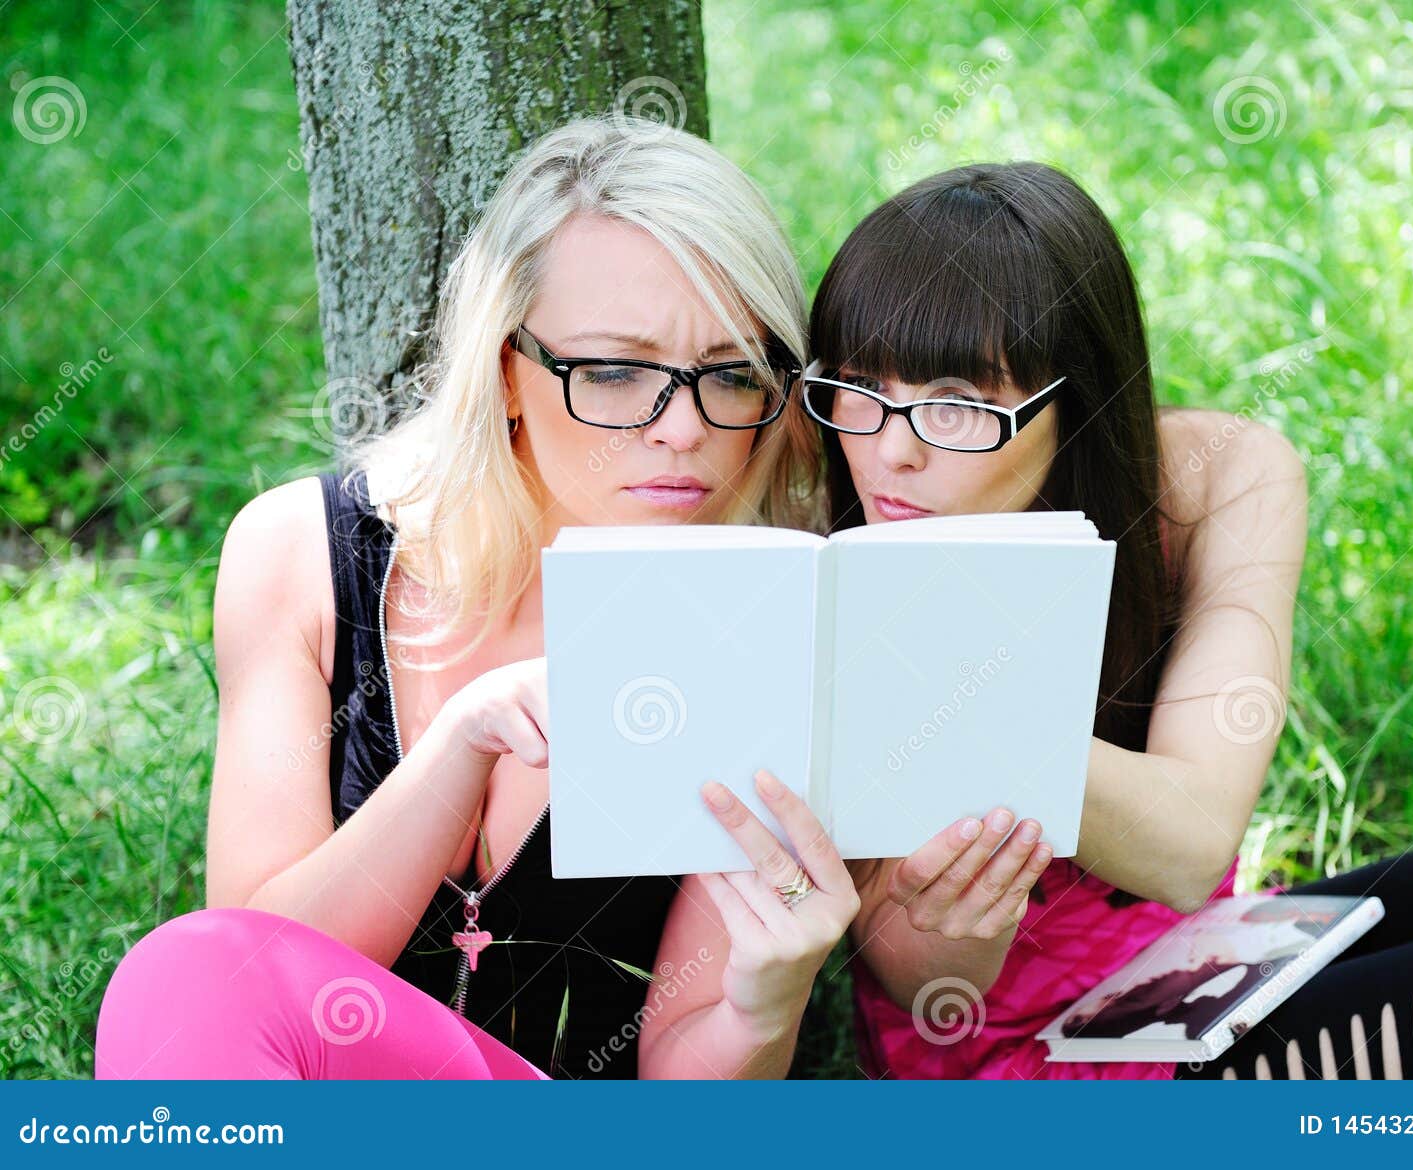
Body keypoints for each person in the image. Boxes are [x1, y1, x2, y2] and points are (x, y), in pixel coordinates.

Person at [94, 113, 860, 1081]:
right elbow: (247, 969)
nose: (681, 429)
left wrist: (764, 1003)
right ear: (504, 370)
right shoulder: (305, 554)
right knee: (184, 973)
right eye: (617, 371)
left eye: (731, 374)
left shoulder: (757, 624)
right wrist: (458, 746)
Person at [803, 159, 1413, 1080]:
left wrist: (964, 704)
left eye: (956, 405)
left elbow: (1191, 844)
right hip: (1035, 1067)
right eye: (859, 390)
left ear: (1078, 405)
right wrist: (958, 928)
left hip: (1205, 964)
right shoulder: (830, 560)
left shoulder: (1217, 478)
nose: (890, 452)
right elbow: (918, 987)